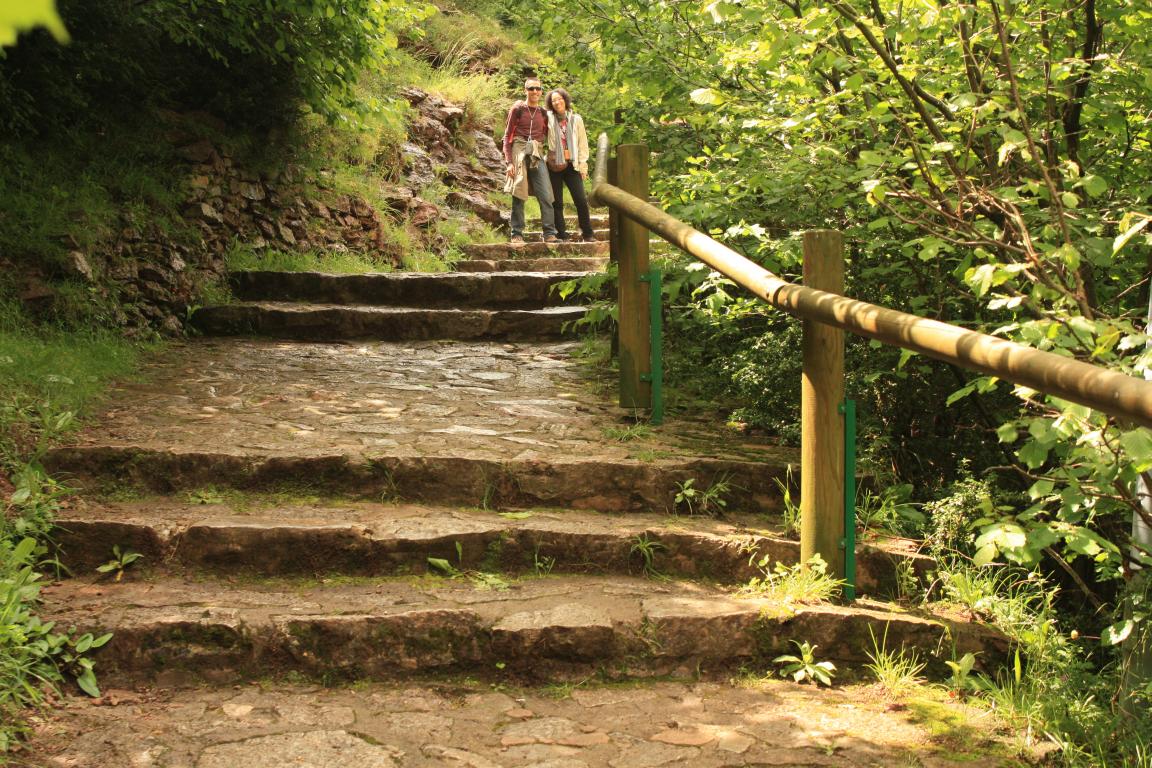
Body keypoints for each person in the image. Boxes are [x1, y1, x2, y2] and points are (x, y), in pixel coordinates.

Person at [502, 77, 557, 244]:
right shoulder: (518, 109)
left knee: (546, 193)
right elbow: (507, 137)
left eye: (538, 89)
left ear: (541, 91)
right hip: (519, 149)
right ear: (525, 90)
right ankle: (516, 233)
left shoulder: (543, 113)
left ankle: (549, 233)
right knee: (519, 191)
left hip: (537, 152)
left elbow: (552, 135)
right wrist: (509, 162)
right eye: (531, 88)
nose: (535, 91)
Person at [544, 87, 594, 242]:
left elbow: (582, 143)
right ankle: (562, 234)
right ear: (551, 104)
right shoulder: (547, 118)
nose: (557, 102)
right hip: (554, 165)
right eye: (553, 100)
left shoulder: (576, 119)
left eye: (559, 99)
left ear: (565, 100)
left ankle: (587, 233)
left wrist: (583, 164)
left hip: (572, 165)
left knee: (580, 200)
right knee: (556, 202)